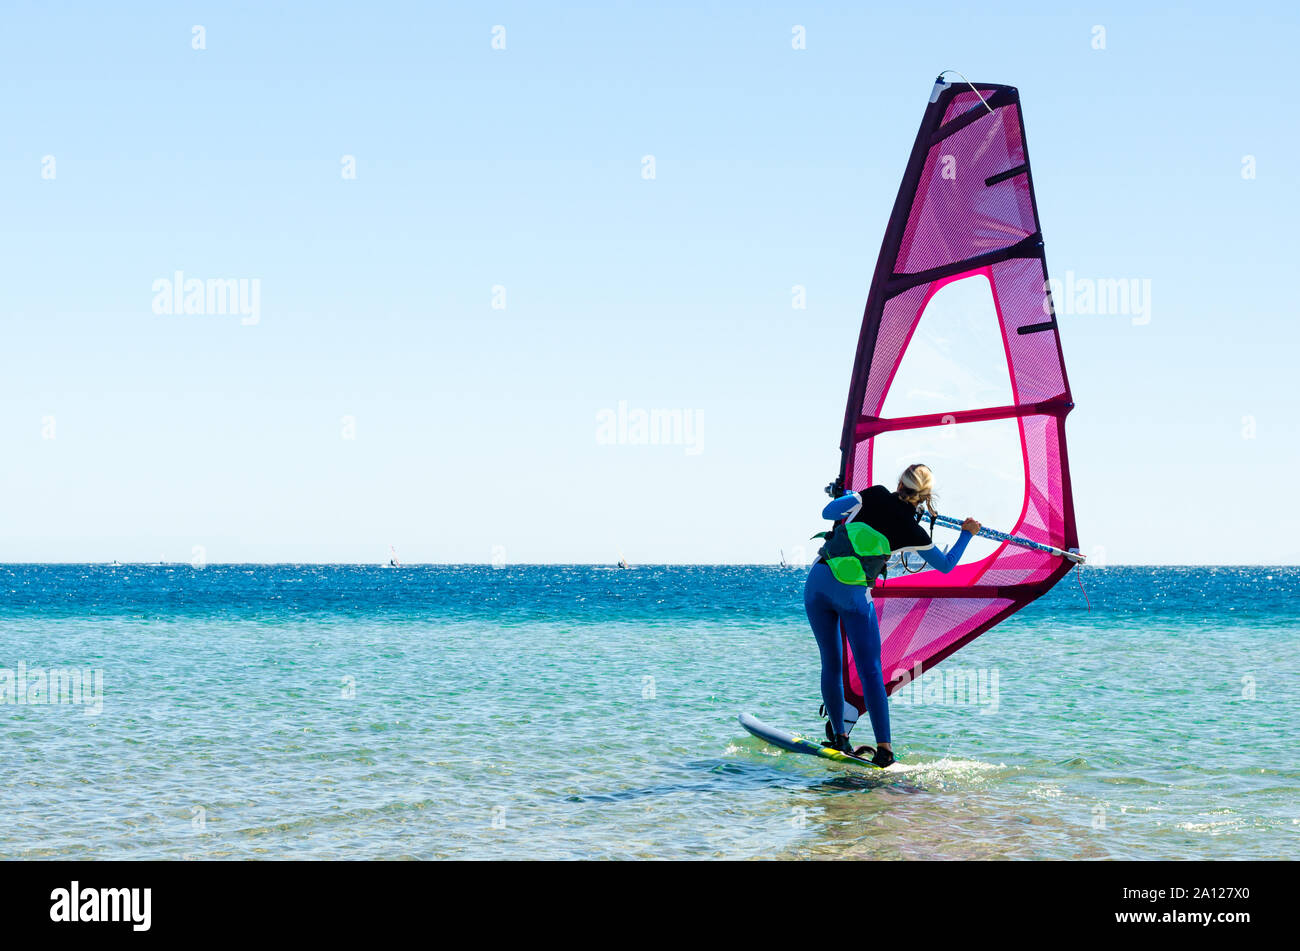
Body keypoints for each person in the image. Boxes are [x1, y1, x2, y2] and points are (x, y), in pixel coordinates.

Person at [805, 463, 980, 767]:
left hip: (818, 583)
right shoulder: (913, 531)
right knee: (871, 670)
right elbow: (947, 565)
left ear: (899, 482)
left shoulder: (872, 495)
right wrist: (967, 534)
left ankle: (840, 740)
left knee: (831, 664)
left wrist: (848, 499)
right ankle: (884, 749)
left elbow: (828, 513)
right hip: (853, 596)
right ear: (925, 497)